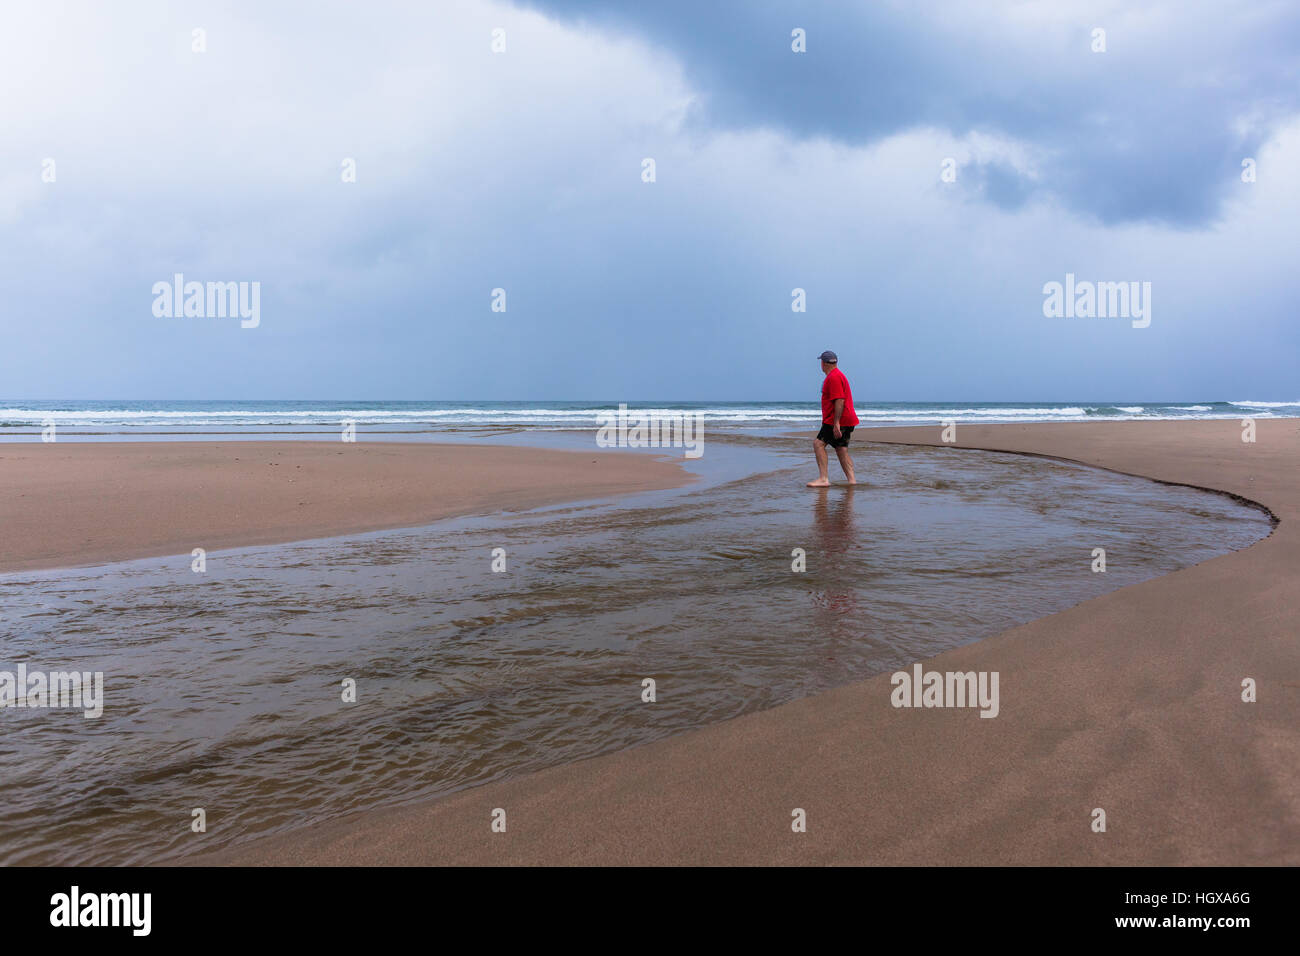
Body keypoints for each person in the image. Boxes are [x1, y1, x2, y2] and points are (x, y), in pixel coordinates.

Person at [807, 350, 859, 487]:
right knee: (841, 449)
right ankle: (852, 481)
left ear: (823, 363)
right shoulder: (838, 375)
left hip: (836, 420)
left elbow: (840, 400)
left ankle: (823, 479)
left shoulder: (834, 377)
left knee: (818, 444)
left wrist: (836, 423)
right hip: (846, 419)